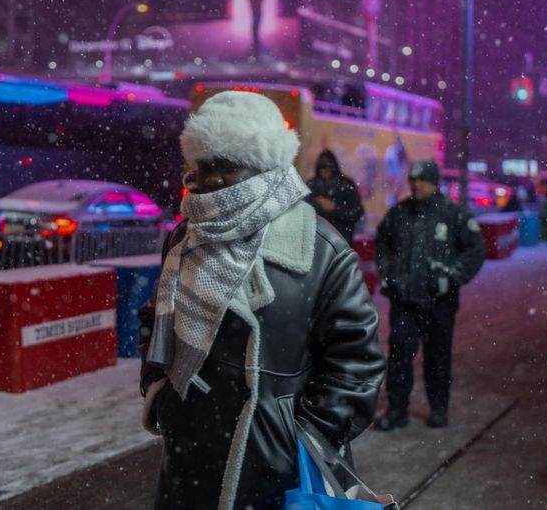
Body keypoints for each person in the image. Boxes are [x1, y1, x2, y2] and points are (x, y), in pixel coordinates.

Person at [138, 90, 385, 509]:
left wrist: (302, 433)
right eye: (203, 166)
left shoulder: (319, 246)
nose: (208, 181)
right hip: (190, 454)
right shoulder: (184, 237)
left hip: (278, 464)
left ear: (261, 168)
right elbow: (155, 318)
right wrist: (160, 392)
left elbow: (355, 362)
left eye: (225, 167)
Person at [374, 159, 485, 430]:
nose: (415, 184)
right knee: (400, 357)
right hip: (405, 301)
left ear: (435, 182)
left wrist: (452, 278)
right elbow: (381, 243)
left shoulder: (453, 214)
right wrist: (389, 275)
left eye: (421, 180)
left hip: (440, 303)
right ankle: (397, 410)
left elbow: (475, 251)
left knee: (437, 357)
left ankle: (439, 409)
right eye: (412, 180)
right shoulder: (399, 213)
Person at [306, 149, 365, 243]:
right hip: (316, 240)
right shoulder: (312, 185)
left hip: (340, 240)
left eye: (328, 168)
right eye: (322, 168)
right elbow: (304, 212)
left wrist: (334, 208)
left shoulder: (346, 185)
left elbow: (356, 213)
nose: (325, 172)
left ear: (333, 168)